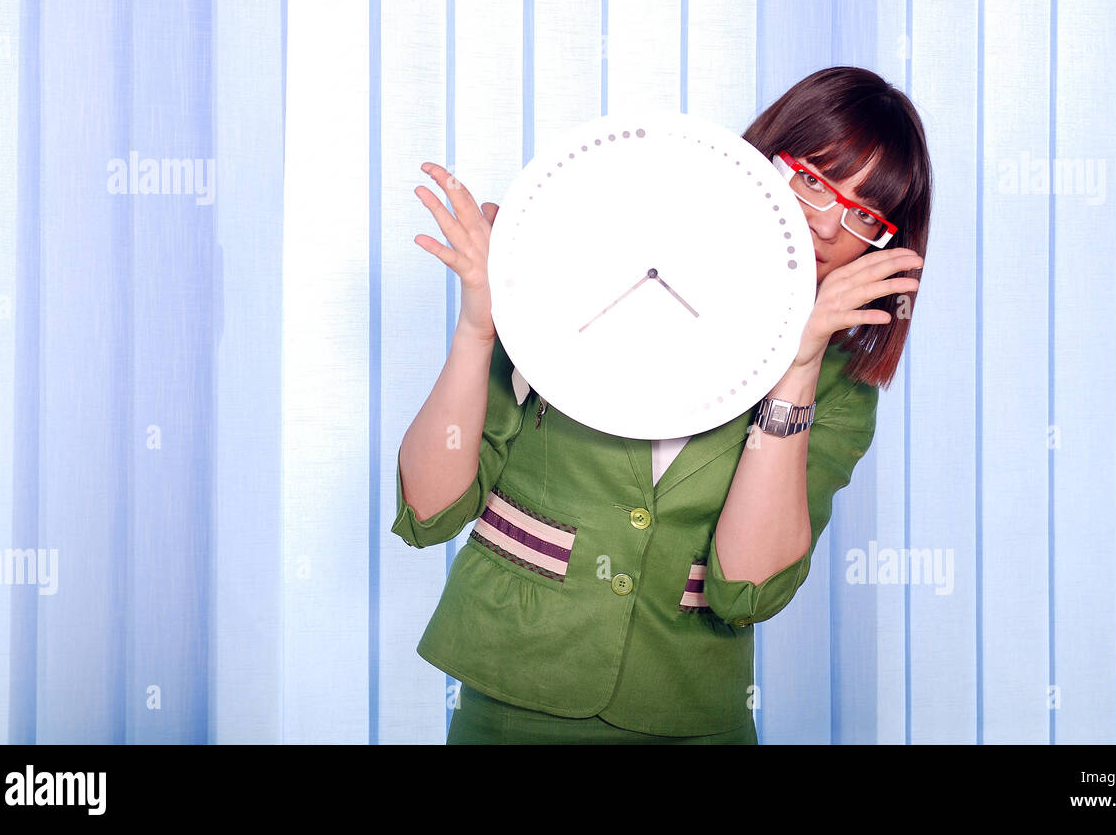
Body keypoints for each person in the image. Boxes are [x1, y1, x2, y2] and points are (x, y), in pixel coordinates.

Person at [395, 66, 931, 744]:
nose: (826, 226)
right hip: (513, 699)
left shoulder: (841, 384)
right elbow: (430, 511)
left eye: (864, 215)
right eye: (813, 180)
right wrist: (479, 327)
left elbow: (748, 587)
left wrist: (797, 369)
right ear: (760, 158)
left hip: (690, 714)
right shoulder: (589, 263)